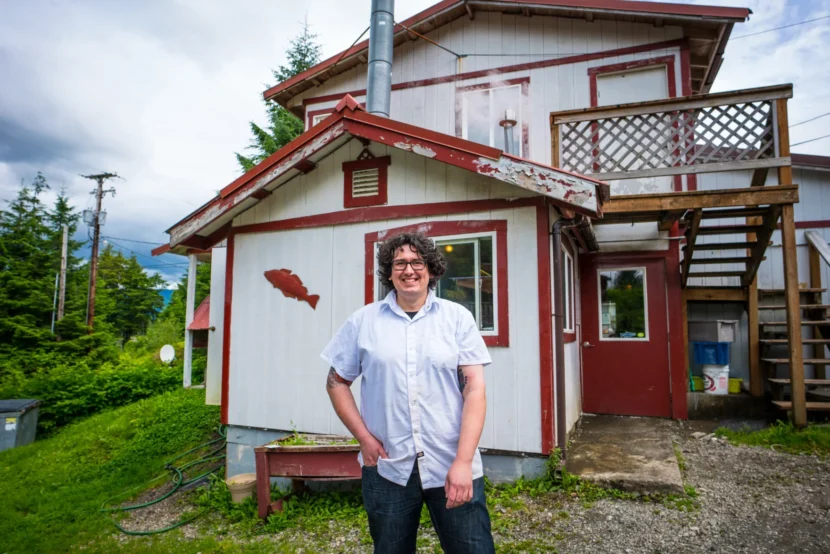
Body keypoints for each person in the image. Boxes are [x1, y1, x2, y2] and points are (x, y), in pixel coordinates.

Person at [322, 231, 495, 554]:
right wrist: (364, 438)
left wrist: (463, 461)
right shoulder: (363, 322)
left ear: (431, 270)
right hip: (388, 468)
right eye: (399, 263)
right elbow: (336, 382)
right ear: (389, 272)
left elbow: (475, 390)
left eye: (417, 262)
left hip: (450, 463)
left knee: (473, 549)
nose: (409, 270)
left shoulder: (457, 319)